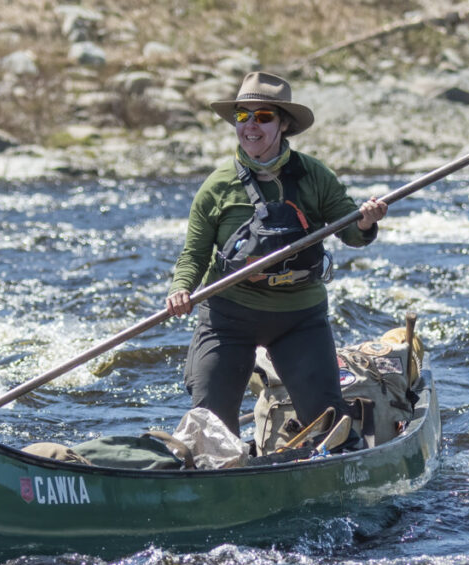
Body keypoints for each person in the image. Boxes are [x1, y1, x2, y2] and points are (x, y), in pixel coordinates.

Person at [165, 71, 388, 443]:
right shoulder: (216, 187)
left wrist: (366, 221)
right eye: (242, 116)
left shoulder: (315, 175)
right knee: (209, 426)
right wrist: (180, 288)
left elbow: (351, 232)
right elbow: (194, 254)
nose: (250, 125)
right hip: (228, 316)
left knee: (328, 423)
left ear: (283, 124)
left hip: (298, 317)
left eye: (263, 116)